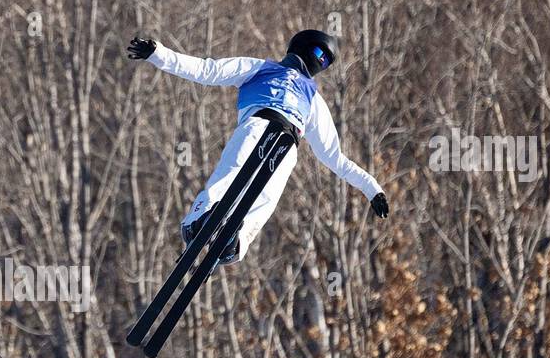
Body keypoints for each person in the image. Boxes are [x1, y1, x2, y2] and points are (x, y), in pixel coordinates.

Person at [127, 30, 389, 266]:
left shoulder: (315, 100)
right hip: (259, 125)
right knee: (231, 172)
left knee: (266, 198)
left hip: (287, 146)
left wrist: (372, 188)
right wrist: (158, 54)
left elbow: (334, 157)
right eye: (321, 55)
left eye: (327, 62)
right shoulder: (260, 68)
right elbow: (207, 71)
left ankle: (234, 241)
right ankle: (202, 217)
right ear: (304, 46)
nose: (322, 63)